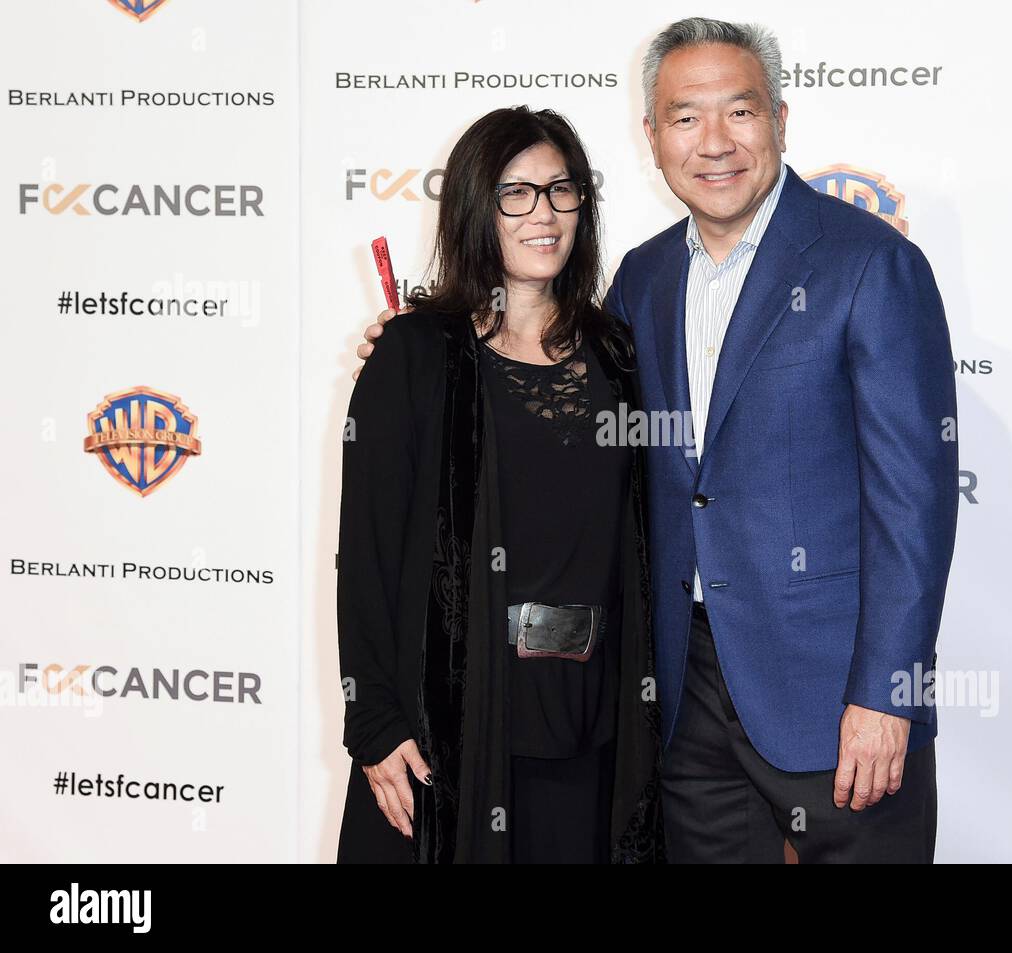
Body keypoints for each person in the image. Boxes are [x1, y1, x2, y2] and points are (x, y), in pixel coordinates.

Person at [357, 17, 958, 864]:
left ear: (780, 119)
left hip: (833, 695)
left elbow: (915, 506)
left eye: (739, 112)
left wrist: (887, 694)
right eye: (685, 118)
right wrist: (415, 351)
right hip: (678, 692)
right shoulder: (643, 278)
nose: (714, 142)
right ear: (651, 138)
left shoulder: (870, 265)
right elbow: (544, 397)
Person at [336, 106, 663, 864]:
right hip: (453, 726)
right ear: (478, 208)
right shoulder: (415, 354)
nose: (543, 214)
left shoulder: (619, 354)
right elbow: (366, 554)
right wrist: (375, 725)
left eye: (561, 189)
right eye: (516, 193)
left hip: (592, 729)